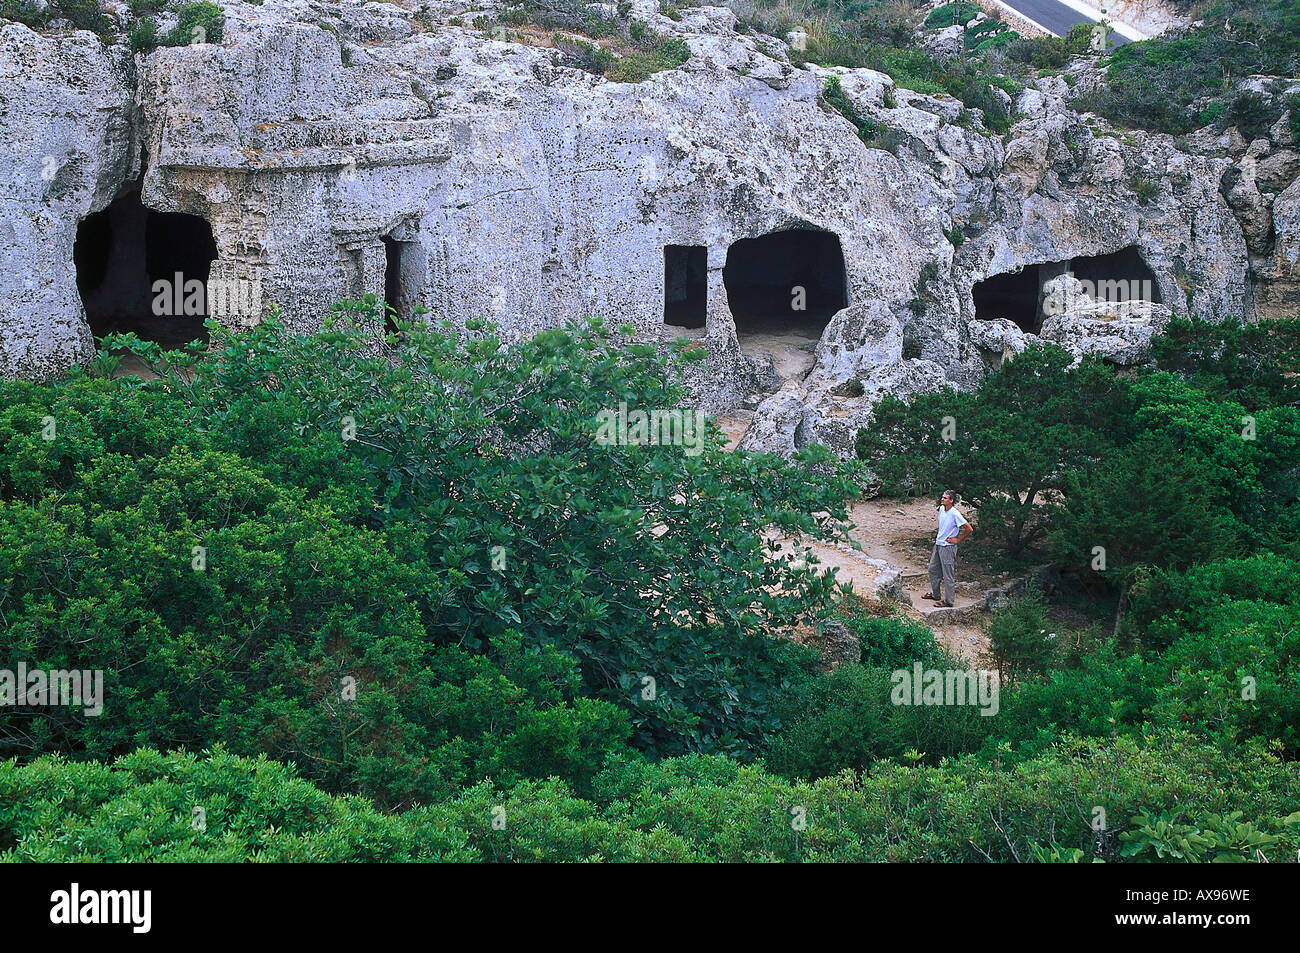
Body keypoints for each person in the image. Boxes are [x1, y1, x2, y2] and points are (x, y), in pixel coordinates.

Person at [928, 489, 972, 608]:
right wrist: (936, 543)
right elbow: (942, 527)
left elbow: (969, 528)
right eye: (942, 497)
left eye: (945, 498)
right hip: (939, 544)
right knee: (932, 569)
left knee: (948, 574)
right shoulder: (942, 509)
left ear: (951, 500)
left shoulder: (955, 514)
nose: (942, 499)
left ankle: (949, 601)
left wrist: (958, 540)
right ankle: (936, 594)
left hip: (948, 547)